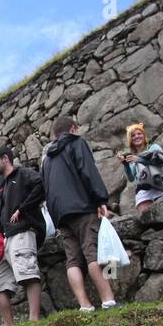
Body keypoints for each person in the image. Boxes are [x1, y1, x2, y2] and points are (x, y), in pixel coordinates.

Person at [41, 114, 117, 313]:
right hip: (81, 207)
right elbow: (88, 172)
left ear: (55, 135)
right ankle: (108, 300)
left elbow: (46, 189)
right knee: (92, 252)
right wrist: (101, 199)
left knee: (73, 259)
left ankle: (84, 305)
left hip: (60, 215)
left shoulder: (47, 159)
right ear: (73, 128)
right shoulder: (76, 143)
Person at [0, 142, 46, 326]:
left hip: (23, 232)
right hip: (4, 240)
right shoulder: (3, 187)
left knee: (28, 273)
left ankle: (34, 320)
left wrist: (22, 209)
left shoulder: (23, 174)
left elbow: (41, 185)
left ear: (6, 159)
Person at [120, 122, 163, 218]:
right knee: (145, 219)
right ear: (130, 140)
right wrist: (125, 164)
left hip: (160, 183)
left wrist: (139, 159)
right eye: (133, 135)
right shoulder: (132, 157)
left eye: (139, 133)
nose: (136, 136)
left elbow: (158, 162)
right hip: (143, 189)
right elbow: (131, 178)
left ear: (144, 136)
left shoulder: (154, 148)